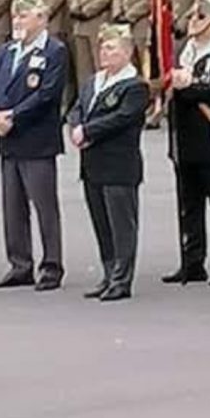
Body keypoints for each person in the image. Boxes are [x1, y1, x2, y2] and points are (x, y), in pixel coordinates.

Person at [0, 0, 67, 291]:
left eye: (24, 15)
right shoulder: (6, 51)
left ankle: (52, 265)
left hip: (36, 138)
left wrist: (12, 116)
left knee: (44, 205)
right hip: (8, 138)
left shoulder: (54, 51)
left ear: (42, 18)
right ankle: (20, 263)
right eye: (16, 15)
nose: (18, 20)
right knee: (12, 206)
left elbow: (47, 94)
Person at [68, 24, 149, 301]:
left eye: (111, 47)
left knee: (121, 225)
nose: (104, 51)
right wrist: (76, 126)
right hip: (92, 164)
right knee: (101, 222)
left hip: (119, 164)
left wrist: (88, 131)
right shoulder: (94, 81)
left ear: (127, 52)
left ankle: (122, 278)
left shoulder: (135, 86)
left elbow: (123, 118)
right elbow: (78, 108)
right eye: (102, 46)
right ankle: (108, 271)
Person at [164, 0, 210, 286]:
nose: (193, 22)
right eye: (192, 16)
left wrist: (191, 87)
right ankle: (192, 260)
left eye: (200, 17)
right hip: (184, 138)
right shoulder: (185, 51)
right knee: (189, 204)